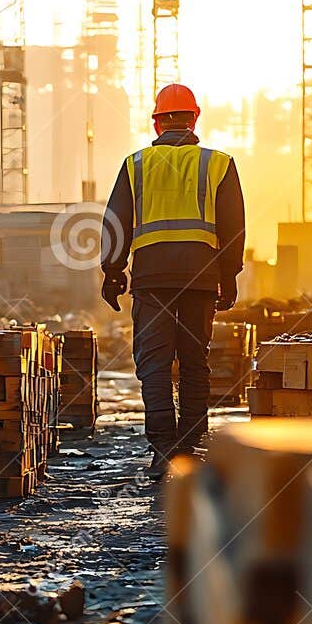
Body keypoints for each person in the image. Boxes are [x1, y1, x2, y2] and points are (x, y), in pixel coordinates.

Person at [99, 83, 246, 476]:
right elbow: (234, 226)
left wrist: (113, 273)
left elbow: (115, 222)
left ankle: (163, 449)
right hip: (200, 279)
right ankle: (192, 446)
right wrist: (228, 276)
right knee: (195, 363)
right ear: (194, 118)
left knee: (155, 364)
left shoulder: (135, 164)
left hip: (151, 279)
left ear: (158, 121)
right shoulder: (218, 164)